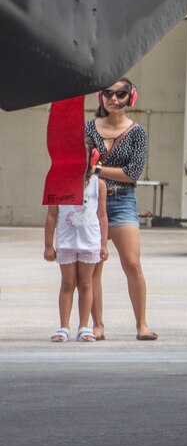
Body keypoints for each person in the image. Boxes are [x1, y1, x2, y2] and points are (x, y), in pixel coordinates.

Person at [88, 78, 158, 340]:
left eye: (121, 94)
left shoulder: (137, 132)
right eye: (108, 93)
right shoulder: (88, 128)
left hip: (122, 201)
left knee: (132, 263)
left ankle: (141, 325)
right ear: (101, 97)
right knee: (93, 264)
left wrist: (95, 169)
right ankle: (97, 325)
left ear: (131, 98)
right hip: (92, 203)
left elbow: (132, 174)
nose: (114, 99)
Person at [44, 147, 108, 342]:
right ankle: (64, 326)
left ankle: (84, 326)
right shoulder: (58, 181)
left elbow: (102, 215)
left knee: (86, 283)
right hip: (66, 240)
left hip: (90, 241)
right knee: (68, 283)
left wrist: (103, 243)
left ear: (91, 158)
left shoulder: (99, 185)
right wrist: (48, 245)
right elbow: (51, 215)